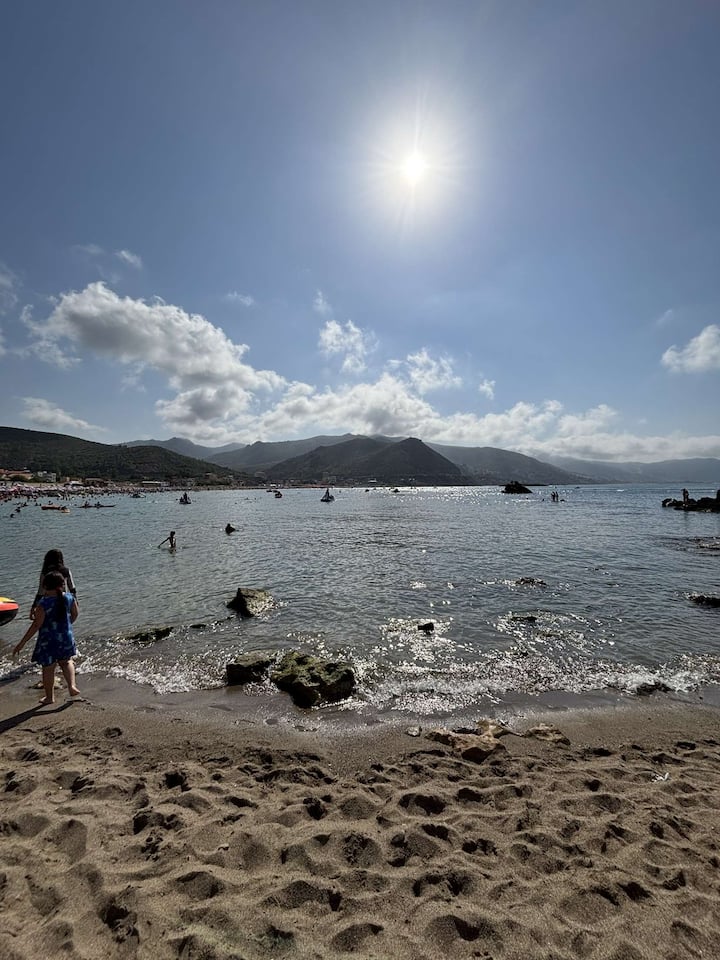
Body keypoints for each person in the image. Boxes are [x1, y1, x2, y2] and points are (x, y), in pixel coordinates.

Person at [13, 571, 80, 705]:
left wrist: (22, 642)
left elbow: (36, 625)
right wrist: (67, 625)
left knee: (48, 668)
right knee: (67, 662)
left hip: (48, 641)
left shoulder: (44, 603)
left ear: (45, 586)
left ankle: (49, 697)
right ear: (62, 585)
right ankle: (72, 686)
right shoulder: (69, 598)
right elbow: (75, 614)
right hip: (65, 637)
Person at [30, 548, 77, 619]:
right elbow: (72, 589)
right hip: (64, 601)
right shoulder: (66, 571)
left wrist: (34, 606)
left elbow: (40, 592)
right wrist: (75, 601)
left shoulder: (45, 572)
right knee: (64, 621)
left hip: (48, 602)